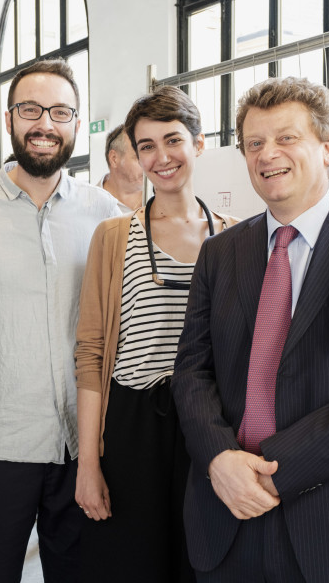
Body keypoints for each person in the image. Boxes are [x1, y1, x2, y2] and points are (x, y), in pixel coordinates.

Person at [172, 76, 329, 583]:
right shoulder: (220, 254)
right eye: (254, 143)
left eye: (286, 138)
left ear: (328, 147)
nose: (268, 154)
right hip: (228, 514)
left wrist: (273, 468)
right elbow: (191, 371)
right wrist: (220, 458)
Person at [0, 58, 120, 583]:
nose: (45, 124)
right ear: (9, 119)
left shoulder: (105, 212)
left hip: (84, 445)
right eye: (30, 110)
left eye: (60, 112)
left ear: (76, 123)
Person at [74, 86, 238, 582]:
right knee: (134, 563)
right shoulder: (114, 236)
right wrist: (88, 464)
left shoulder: (234, 238)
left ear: (199, 143)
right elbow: (91, 352)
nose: (161, 157)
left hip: (208, 423)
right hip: (133, 422)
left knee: (202, 561)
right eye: (146, 146)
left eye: (173, 140)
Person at [96, 124, 144, 212]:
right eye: (138, 157)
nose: (148, 164)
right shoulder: (89, 205)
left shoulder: (163, 198)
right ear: (114, 158)